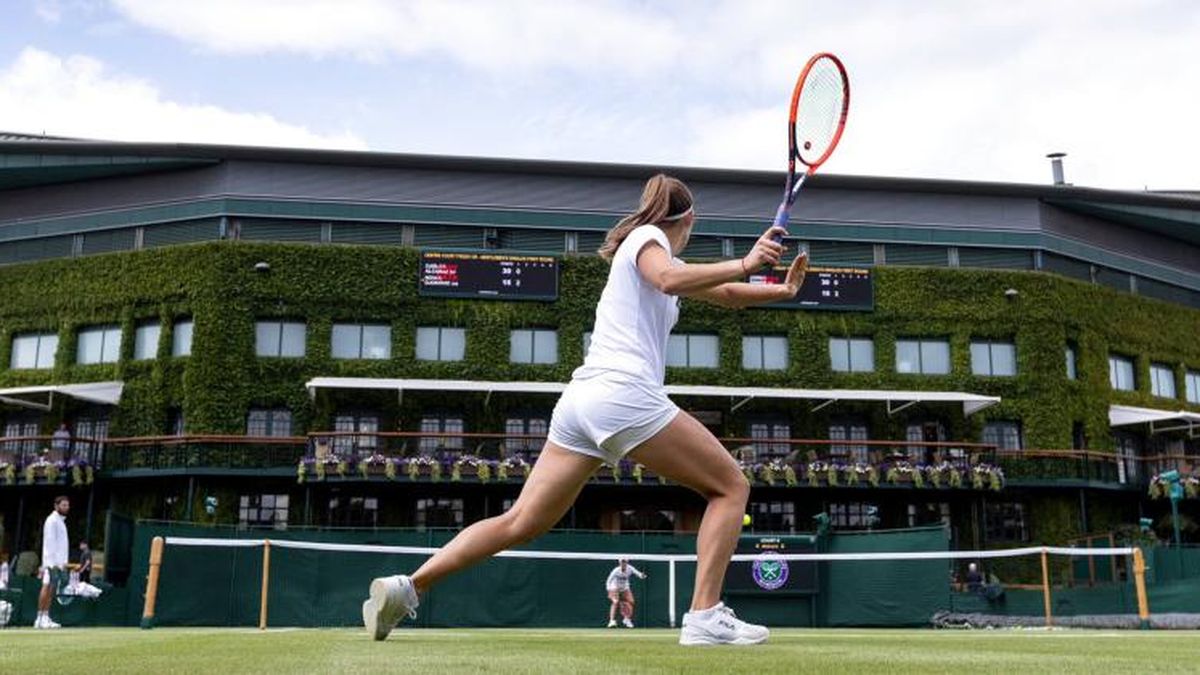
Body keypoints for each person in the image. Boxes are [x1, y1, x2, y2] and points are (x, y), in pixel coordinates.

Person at [362, 174, 808, 646]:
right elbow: (669, 278)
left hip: (581, 404)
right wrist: (745, 260)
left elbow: (725, 295)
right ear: (690, 219)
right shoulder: (649, 239)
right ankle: (704, 615)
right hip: (622, 394)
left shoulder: (656, 255)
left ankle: (409, 586)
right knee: (731, 487)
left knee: (522, 522)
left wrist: (778, 290)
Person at [36, 495, 70, 629]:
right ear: (56, 506)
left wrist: (63, 564)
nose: (67, 507)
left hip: (59, 563)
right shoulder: (52, 521)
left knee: (52, 589)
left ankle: (45, 616)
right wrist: (51, 564)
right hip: (51, 563)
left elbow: (61, 544)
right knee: (47, 586)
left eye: (67, 505)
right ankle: (40, 618)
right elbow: (50, 543)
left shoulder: (60, 521)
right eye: (64, 505)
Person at [605, 558, 647, 628]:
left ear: (627, 563)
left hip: (625, 588)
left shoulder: (630, 568)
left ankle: (627, 619)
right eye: (622, 562)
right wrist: (609, 590)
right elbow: (609, 580)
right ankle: (612, 621)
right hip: (614, 587)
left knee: (631, 602)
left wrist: (642, 575)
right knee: (615, 602)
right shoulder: (616, 570)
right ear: (620, 563)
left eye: (625, 562)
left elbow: (638, 573)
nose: (623, 563)